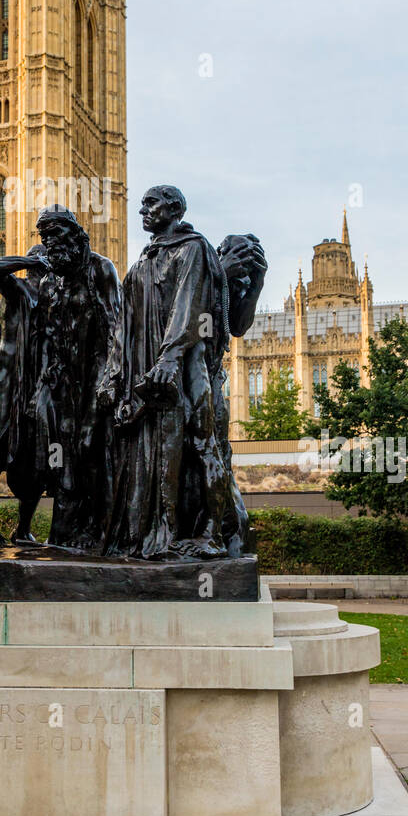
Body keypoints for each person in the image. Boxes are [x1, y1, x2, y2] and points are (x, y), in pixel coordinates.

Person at [99, 186, 266, 559]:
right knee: (158, 451)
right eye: (141, 205)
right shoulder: (142, 263)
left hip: (187, 367)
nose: (142, 210)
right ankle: (155, 534)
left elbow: (189, 308)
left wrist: (170, 359)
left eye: (150, 204)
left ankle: (212, 535)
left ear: (173, 209)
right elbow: (122, 326)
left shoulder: (194, 248)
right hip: (153, 372)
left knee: (203, 446)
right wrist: (111, 376)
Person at [29, 205, 121, 549]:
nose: (50, 243)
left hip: (97, 380)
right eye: (44, 237)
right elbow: (48, 338)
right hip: (64, 385)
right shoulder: (53, 280)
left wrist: (112, 378)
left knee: (93, 452)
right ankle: (63, 535)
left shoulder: (100, 269)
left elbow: (117, 327)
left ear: (74, 234)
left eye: (55, 234)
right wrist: (43, 387)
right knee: (63, 461)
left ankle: (103, 535)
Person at [0, 245, 48, 541]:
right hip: (7, 385)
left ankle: (24, 529)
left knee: (37, 458)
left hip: (37, 387)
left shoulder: (51, 301)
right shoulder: (17, 290)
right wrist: (32, 261)